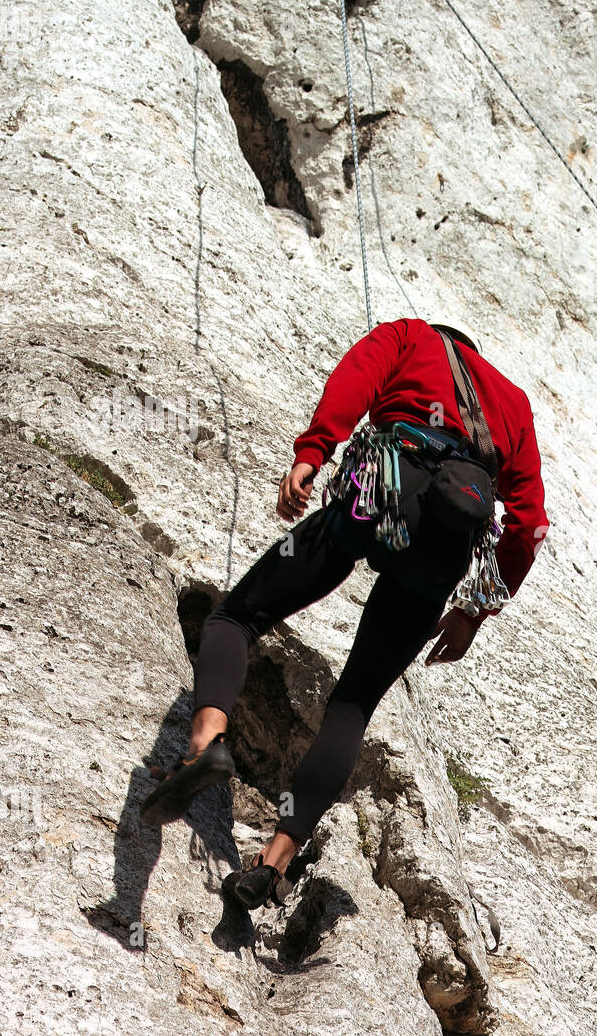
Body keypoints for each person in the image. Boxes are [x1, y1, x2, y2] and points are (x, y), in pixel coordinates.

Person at [141, 318, 548, 908]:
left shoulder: (408, 337)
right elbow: (529, 525)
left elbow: (353, 385)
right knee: (354, 703)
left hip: (377, 498)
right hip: (444, 546)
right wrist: (473, 612)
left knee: (236, 617)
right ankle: (275, 862)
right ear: (475, 353)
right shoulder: (512, 403)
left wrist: (311, 455)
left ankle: (205, 743)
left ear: (441, 339)